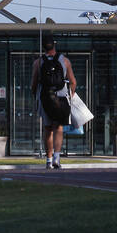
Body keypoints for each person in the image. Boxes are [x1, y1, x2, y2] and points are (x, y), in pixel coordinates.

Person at [30, 35, 76, 169]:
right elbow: (73, 82)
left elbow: (33, 83)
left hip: (45, 97)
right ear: (54, 45)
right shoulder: (65, 61)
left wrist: (35, 96)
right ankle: (57, 157)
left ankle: (48, 160)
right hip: (61, 97)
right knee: (58, 127)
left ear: (43, 47)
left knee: (48, 128)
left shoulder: (38, 62)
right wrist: (70, 95)